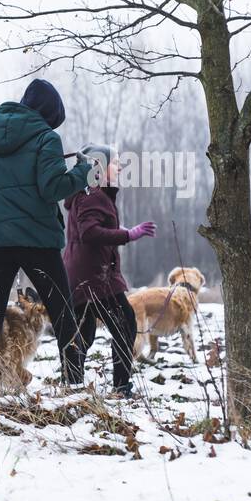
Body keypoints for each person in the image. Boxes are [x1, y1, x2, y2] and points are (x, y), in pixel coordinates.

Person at [0, 79, 91, 387]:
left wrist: (2, 213)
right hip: (39, 246)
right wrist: (82, 173)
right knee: (62, 314)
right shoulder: (48, 138)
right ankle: (74, 384)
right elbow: (52, 188)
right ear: (49, 114)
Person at [64, 145, 156, 396]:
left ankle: (72, 383)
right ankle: (121, 387)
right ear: (99, 168)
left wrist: (119, 229)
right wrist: (127, 234)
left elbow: (93, 226)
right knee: (125, 324)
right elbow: (89, 232)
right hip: (96, 277)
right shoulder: (94, 195)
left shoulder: (90, 193)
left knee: (83, 332)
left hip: (84, 274)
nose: (120, 167)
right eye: (115, 162)